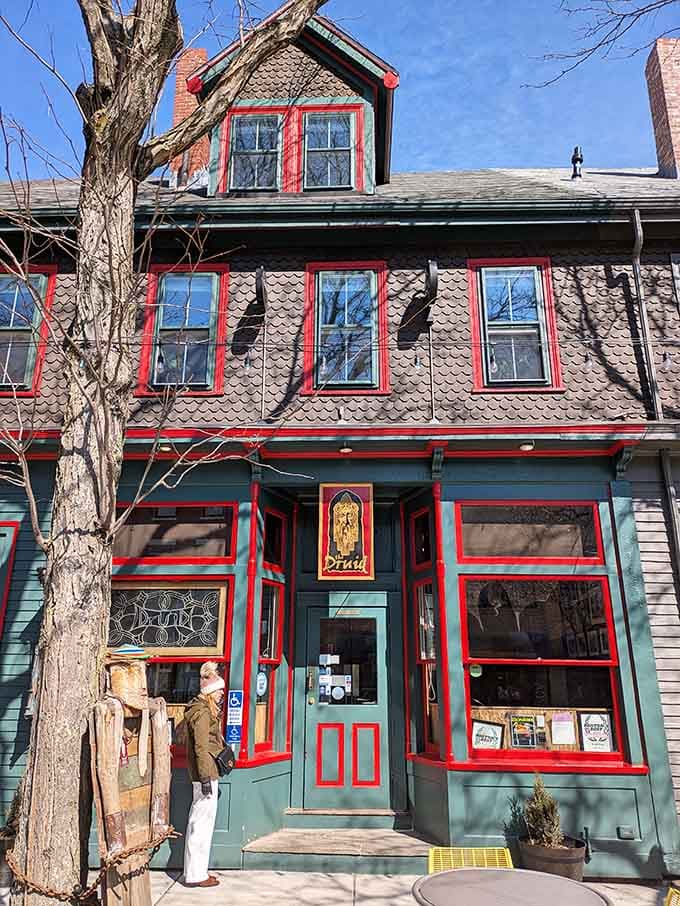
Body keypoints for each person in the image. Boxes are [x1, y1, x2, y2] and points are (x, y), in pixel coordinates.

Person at [183, 661, 226, 887]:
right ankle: (196, 874)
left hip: (206, 772)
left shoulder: (204, 710)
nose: (222, 694)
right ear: (210, 692)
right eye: (219, 690)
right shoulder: (201, 713)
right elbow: (200, 747)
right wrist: (205, 778)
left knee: (201, 821)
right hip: (205, 773)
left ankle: (197, 871)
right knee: (201, 823)